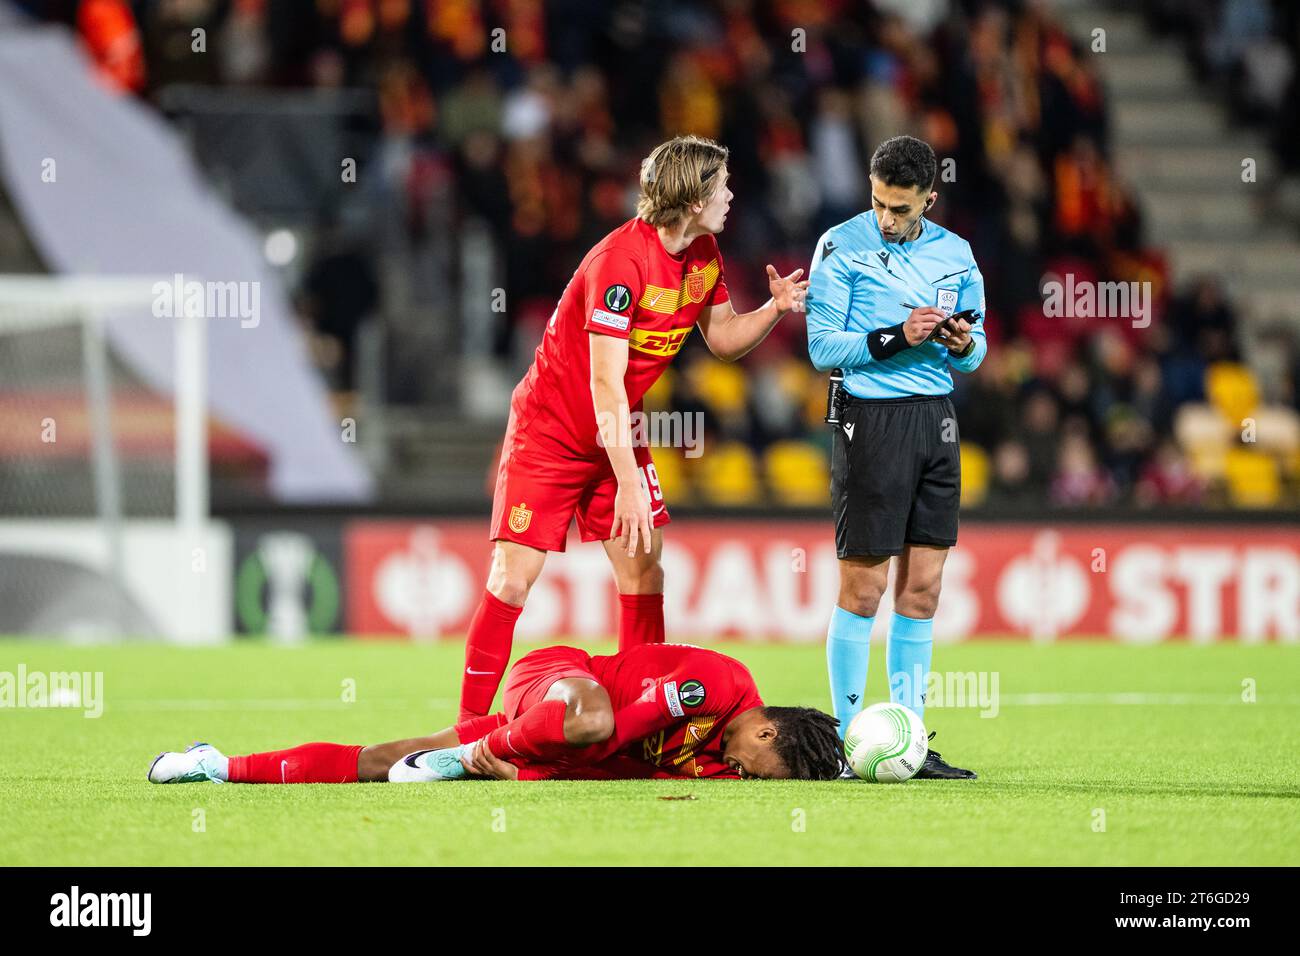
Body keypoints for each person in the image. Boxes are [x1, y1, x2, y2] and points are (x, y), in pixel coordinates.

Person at [460, 134, 808, 722]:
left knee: (645, 568)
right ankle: (469, 731)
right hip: (550, 433)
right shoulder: (619, 264)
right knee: (513, 579)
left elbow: (723, 339)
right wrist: (628, 482)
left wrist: (773, 309)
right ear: (694, 199)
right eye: (722, 187)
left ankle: (640, 721)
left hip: (617, 432)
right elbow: (603, 382)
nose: (731, 197)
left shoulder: (704, 255)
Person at [805, 135, 986, 779]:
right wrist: (895, 337)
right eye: (879, 203)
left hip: (936, 419)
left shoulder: (957, 255)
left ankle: (908, 740)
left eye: (901, 208)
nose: (886, 218)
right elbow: (822, 347)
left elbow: (978, 352)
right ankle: (846, 742)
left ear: (929, 200)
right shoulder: (840, 245)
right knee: (865, 587)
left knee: (923, 589)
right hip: (870, 419)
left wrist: (962, 345)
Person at [147, 643, 846, 784]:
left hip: (545, 739)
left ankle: (215, 765)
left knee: (381, 762)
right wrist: (508, 758)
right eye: (759, 766)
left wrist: (521, 768)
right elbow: (614, 742)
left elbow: (614, 774)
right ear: (766, 729)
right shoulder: (718, 685)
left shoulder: (724, 761)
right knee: (598, 722)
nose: (741, 775)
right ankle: (456, 761)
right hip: (558, 683)